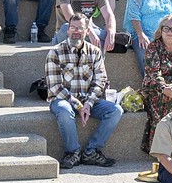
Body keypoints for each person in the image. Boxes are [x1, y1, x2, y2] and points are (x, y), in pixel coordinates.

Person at [43, 12, 121, 169]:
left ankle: (91, 152)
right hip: (63, 99)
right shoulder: (55, 52)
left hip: (89, 100)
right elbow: (55, 86)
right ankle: (73, 152)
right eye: (72, 27)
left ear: (87, 31)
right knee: (64, 110)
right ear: (67, 30)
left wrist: (90, 103)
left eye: (80, 28)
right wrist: (78, 105)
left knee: (116, 110)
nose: (76, 31)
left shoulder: (95, 52)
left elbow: (100, 81)